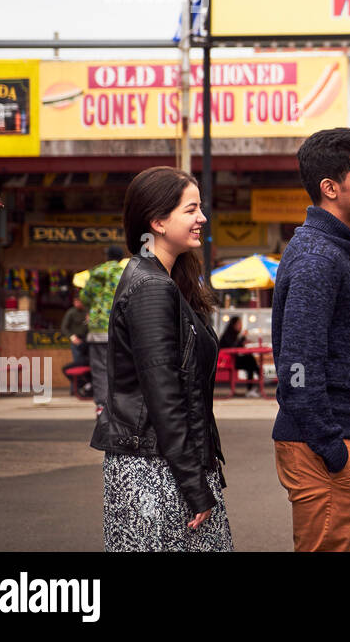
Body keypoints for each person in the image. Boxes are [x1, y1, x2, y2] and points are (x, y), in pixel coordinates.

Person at [89, 167, 232, 551]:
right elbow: (163, 395)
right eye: (191, 209)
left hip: (163, 464)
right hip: (155, 472)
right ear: (158, 222)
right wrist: (193, 483)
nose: (202, 218)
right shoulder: (151, 287)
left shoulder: (164, 280)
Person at [272, 127, 350, 552]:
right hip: (324, 449)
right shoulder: (318, 257)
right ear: (330, 188)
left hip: (345, 438)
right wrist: (332, 449)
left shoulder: (333, 250)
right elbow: (297, 366)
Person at [81, 244, 127, 415]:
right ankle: (120, 404)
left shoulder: (96, 272)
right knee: (121, 365)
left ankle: (102, 405)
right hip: (120, 326)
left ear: (107, 256)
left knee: (100, 367)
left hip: (98, 327)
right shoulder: (125, 273)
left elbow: (84, 297)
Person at [219, 316, 262, 399]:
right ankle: (259, 379)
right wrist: (242, 338)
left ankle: (256, 383)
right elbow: (233, 347)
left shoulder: (235, 335)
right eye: (239, 323)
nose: (241, 326)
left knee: (250, 360)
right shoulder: (228, 335)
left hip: (233, 360)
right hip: (227, 361)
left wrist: (245, 341)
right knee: (250, 361)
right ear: (233, 325)